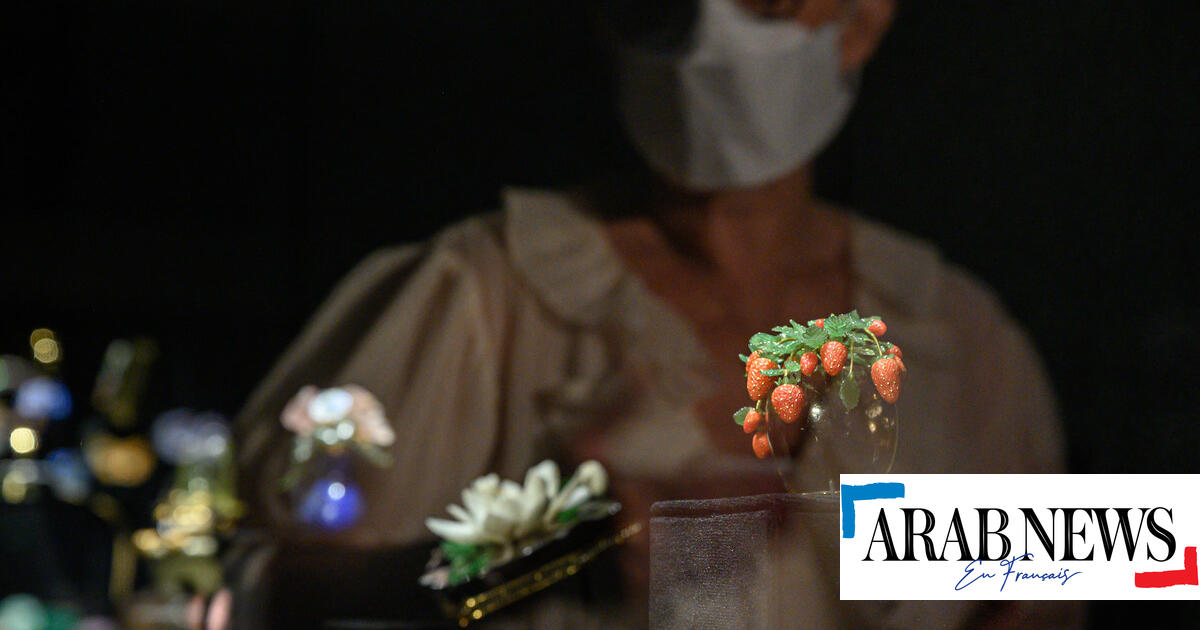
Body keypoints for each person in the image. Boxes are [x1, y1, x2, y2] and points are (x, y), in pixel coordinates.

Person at [233, 0, 1083, 627]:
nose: (712, 28)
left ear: (862, 19)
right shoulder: (484, 300)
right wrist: (513, 560)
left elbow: (1086, 574)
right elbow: (251, 579)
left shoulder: (957, 340)